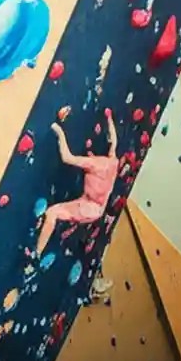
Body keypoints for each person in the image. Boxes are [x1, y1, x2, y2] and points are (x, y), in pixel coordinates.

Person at [36, 108, 120, 255]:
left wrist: (59, 131)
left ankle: (36, 254)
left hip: (90, 207)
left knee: (52, 213)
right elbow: (114, 142)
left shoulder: (94, 165)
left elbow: (67, 157)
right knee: (64, 212)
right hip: (96, 205)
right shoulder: (113, 162)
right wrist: (109, 118)